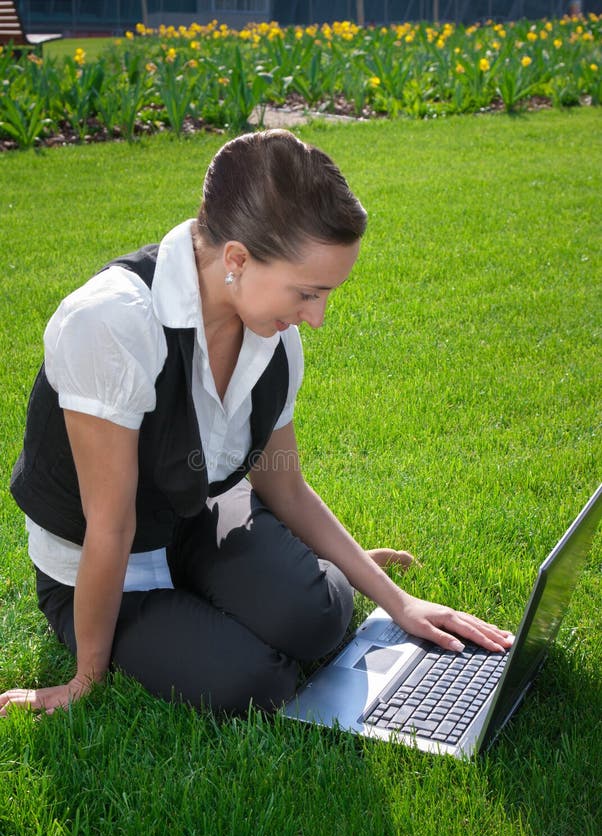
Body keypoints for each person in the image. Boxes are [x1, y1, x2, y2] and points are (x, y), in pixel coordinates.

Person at [0, 129, 513, 718]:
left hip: (200, 517)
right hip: (106, 560)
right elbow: (109, 525)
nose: (315, 319)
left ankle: (293, 580)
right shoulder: (114, 323)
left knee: (317, 618)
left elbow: (283, 484)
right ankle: (234, 595)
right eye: (307, 293)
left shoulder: (274, 335)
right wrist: (84, 680)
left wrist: (398, 603)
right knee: (253, 684)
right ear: (237, 259)